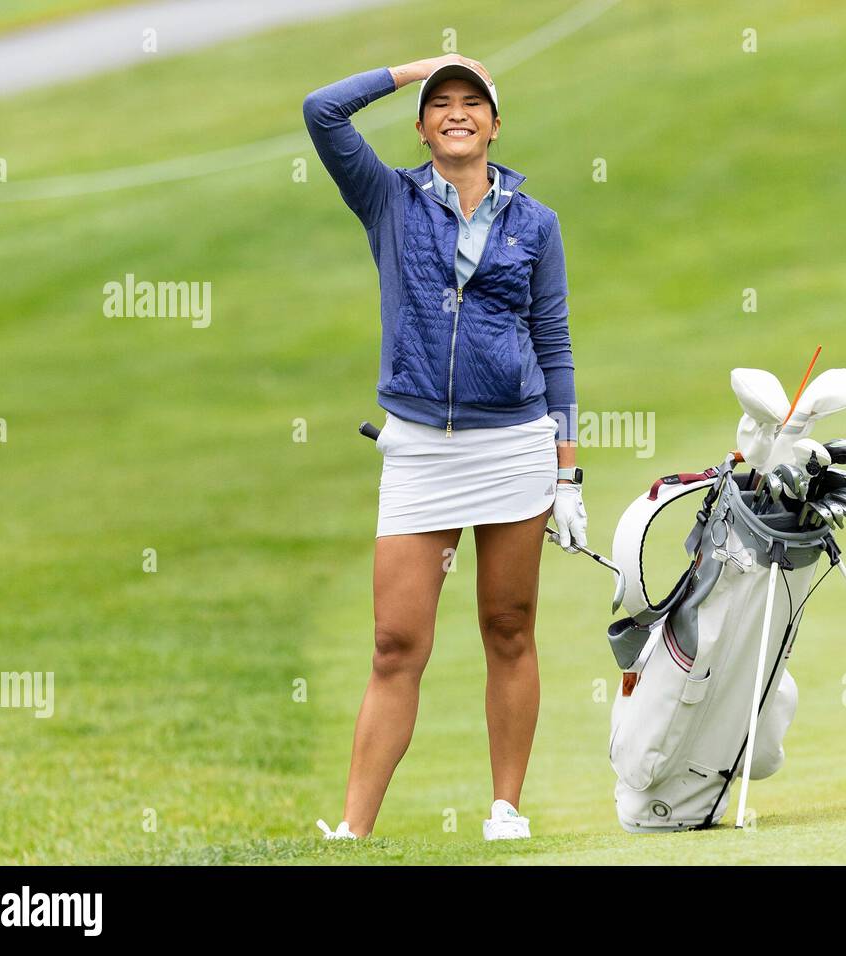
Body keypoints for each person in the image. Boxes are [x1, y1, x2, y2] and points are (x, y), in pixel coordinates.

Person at [303, 53, 587, 841]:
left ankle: (505, 811)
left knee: (509, 627)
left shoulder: (536, 223)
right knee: (396, 644)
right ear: (423, 126)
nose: (457, 112)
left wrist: (569, 476)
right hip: (421, 451)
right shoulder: (388, 198)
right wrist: (418, 66)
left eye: (473, 102)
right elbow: (321, 109)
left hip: (514, 446)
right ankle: (353, 831)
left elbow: (554, 344)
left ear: (496, 125)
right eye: (441, 103)